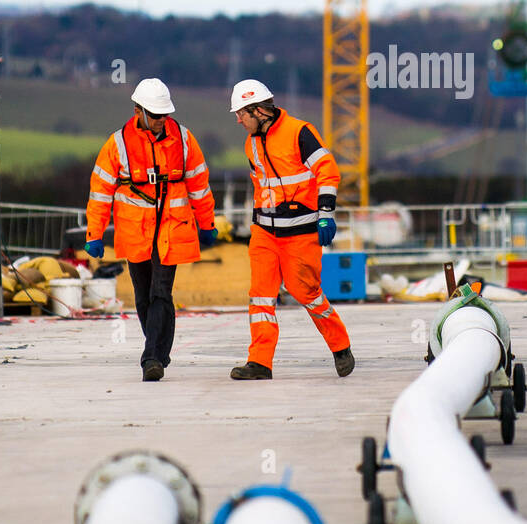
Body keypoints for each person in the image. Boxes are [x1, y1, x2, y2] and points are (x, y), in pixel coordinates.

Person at [85, 78, 216, 381]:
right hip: (135, 231)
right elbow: (101, 192)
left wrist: (207, 223)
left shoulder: (183, 139)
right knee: (143, 296)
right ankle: (159, 349)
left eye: (164, 115)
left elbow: (199, 183)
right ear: (138, 111)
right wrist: (94, 234)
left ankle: (151, 357)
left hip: (172, 227)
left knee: (161, 292)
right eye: (155, 115)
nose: (160, 121)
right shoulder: (117, 144)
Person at [228, 78, 353, 380]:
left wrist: (325, 214)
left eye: (240, 114)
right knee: (261, 296)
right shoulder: (251, 143)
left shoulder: (300, 132)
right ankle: (259, 362)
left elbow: (327, 171)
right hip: (265, 234)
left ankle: (340, 347)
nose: (237, 120)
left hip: (300, 233)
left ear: (258, 110)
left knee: (307, 293)